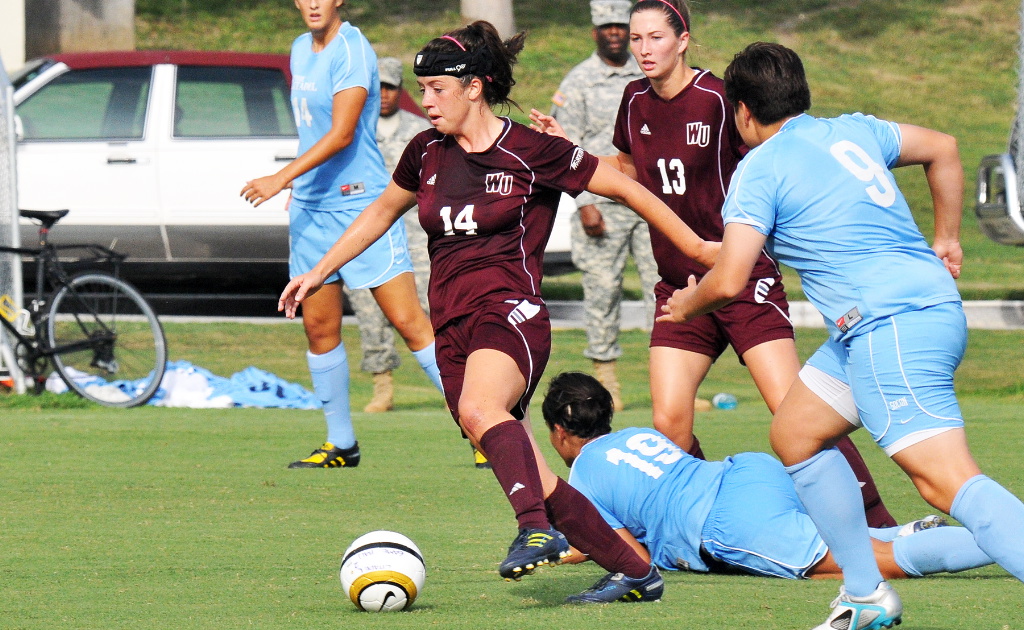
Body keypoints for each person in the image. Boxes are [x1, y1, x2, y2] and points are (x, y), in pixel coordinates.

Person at [279, 21, 721, 604]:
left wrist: (696, 248)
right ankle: (636, 571)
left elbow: (628, 190)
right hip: (454, 328)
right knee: (529, 473)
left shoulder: (530, 150)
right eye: (423, 88)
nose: (426, 100)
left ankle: (533, 530)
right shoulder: (425, 152)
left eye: (437, 87)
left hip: (511, 312)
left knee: (482, 408)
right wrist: (316, 270)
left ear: (474, 87)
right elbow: (380, 212)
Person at [660, 41, 1024, 629]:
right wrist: (948, 237)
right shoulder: (853, 131)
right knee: (797, 434)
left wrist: (686, 305)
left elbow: (727, 280)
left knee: (944, 482)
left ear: (743, 112)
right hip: (895, 320)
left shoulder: (760, 167)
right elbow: (944, 148)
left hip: (890, 327)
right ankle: (865, 594)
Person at [530, 0, 895, 528]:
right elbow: (628, 171)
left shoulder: (720, 100)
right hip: (678, 288)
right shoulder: (633, 99)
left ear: (683, 40)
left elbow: (771, 161)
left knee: (795, 412)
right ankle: (707, 518)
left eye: (656, 37)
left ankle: (876, 521)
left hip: (740, 279)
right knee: (669, 420)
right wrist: (569, 149)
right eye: (636, 39)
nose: (644, 49)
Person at [541, 371, 996, 583]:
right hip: (750, 472)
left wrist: (564, 553)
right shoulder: (637, 432)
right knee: (848, 554)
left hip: (728, 519)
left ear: (560, 432)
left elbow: (630, 552)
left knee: (875, 563)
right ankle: (902, 529)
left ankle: (1007, 539)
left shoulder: (581, 476)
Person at [240, 0, 443, 469]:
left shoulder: (353, 49)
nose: (313, 3)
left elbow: (343, 133)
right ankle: (342, 444)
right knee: (318, 326)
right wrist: (302, 186)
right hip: (311, 209)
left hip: (359, 204)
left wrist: (280, 178)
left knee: (409, 322)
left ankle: (483, 429)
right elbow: (312, 132)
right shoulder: (298, 49)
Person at [548, 0, 661, 411]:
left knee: (661, 289)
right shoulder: (579, 81)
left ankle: (668, 379)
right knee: (601, 292)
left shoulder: (648, 75)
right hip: (600, 202)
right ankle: (605, 384)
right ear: (595, 32)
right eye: (607, 27)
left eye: (621, 27)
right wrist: (582, 202)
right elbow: (565, 147)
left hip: (649, 200)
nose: (615, 34)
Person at [340, 57, 431, 413]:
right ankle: (383, 387)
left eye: (391, 87)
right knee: (368, 307)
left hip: (417, 234)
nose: (384, 95)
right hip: (370, 231)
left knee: (429, 305)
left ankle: (450, 378)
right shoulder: (353, 129)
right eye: (378, 88)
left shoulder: (422, 130)